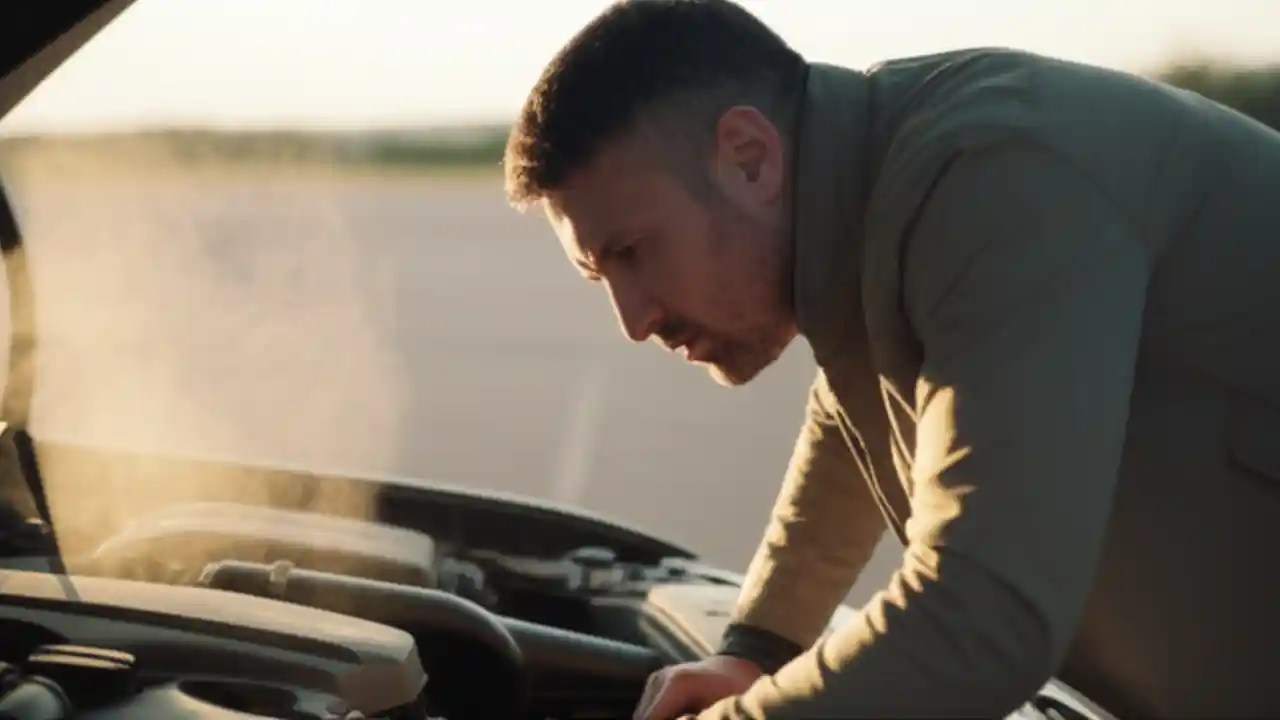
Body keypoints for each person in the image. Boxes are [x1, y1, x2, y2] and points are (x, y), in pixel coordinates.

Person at [502, 1, 1280, 718]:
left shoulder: (996, 179)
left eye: (635, 252)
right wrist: (758, 651)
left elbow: (982, 623)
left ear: (747, 158)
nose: (633, 320)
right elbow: (858, 407)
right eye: (601, 276)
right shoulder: (881, 199)